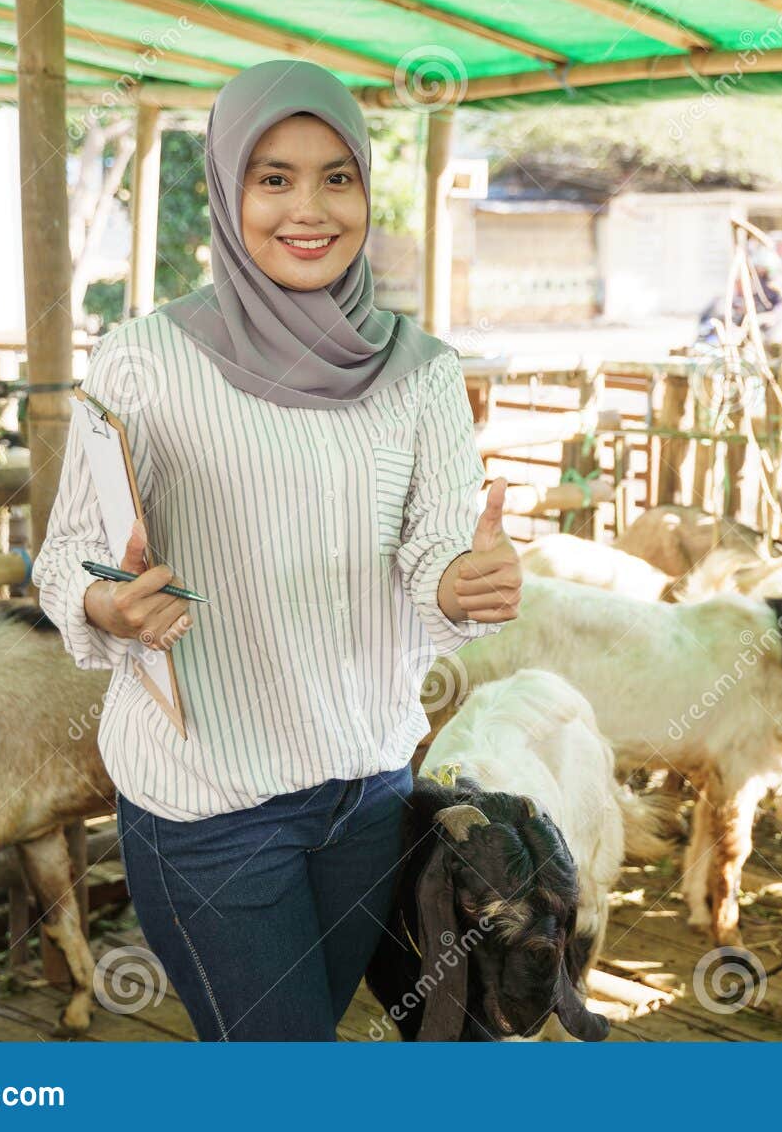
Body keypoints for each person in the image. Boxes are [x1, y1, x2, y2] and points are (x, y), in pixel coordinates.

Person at [31, 59, 521, 1041]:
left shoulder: (423, 371)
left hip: (367, 787)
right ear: (226, 190)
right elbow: (70, 552)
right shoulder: (144, 358)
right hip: (210, 799)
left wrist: (459, 585)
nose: (309, 208)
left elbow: (431, 551)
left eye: (337, 177)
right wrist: (106, 601)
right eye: (273, 177)